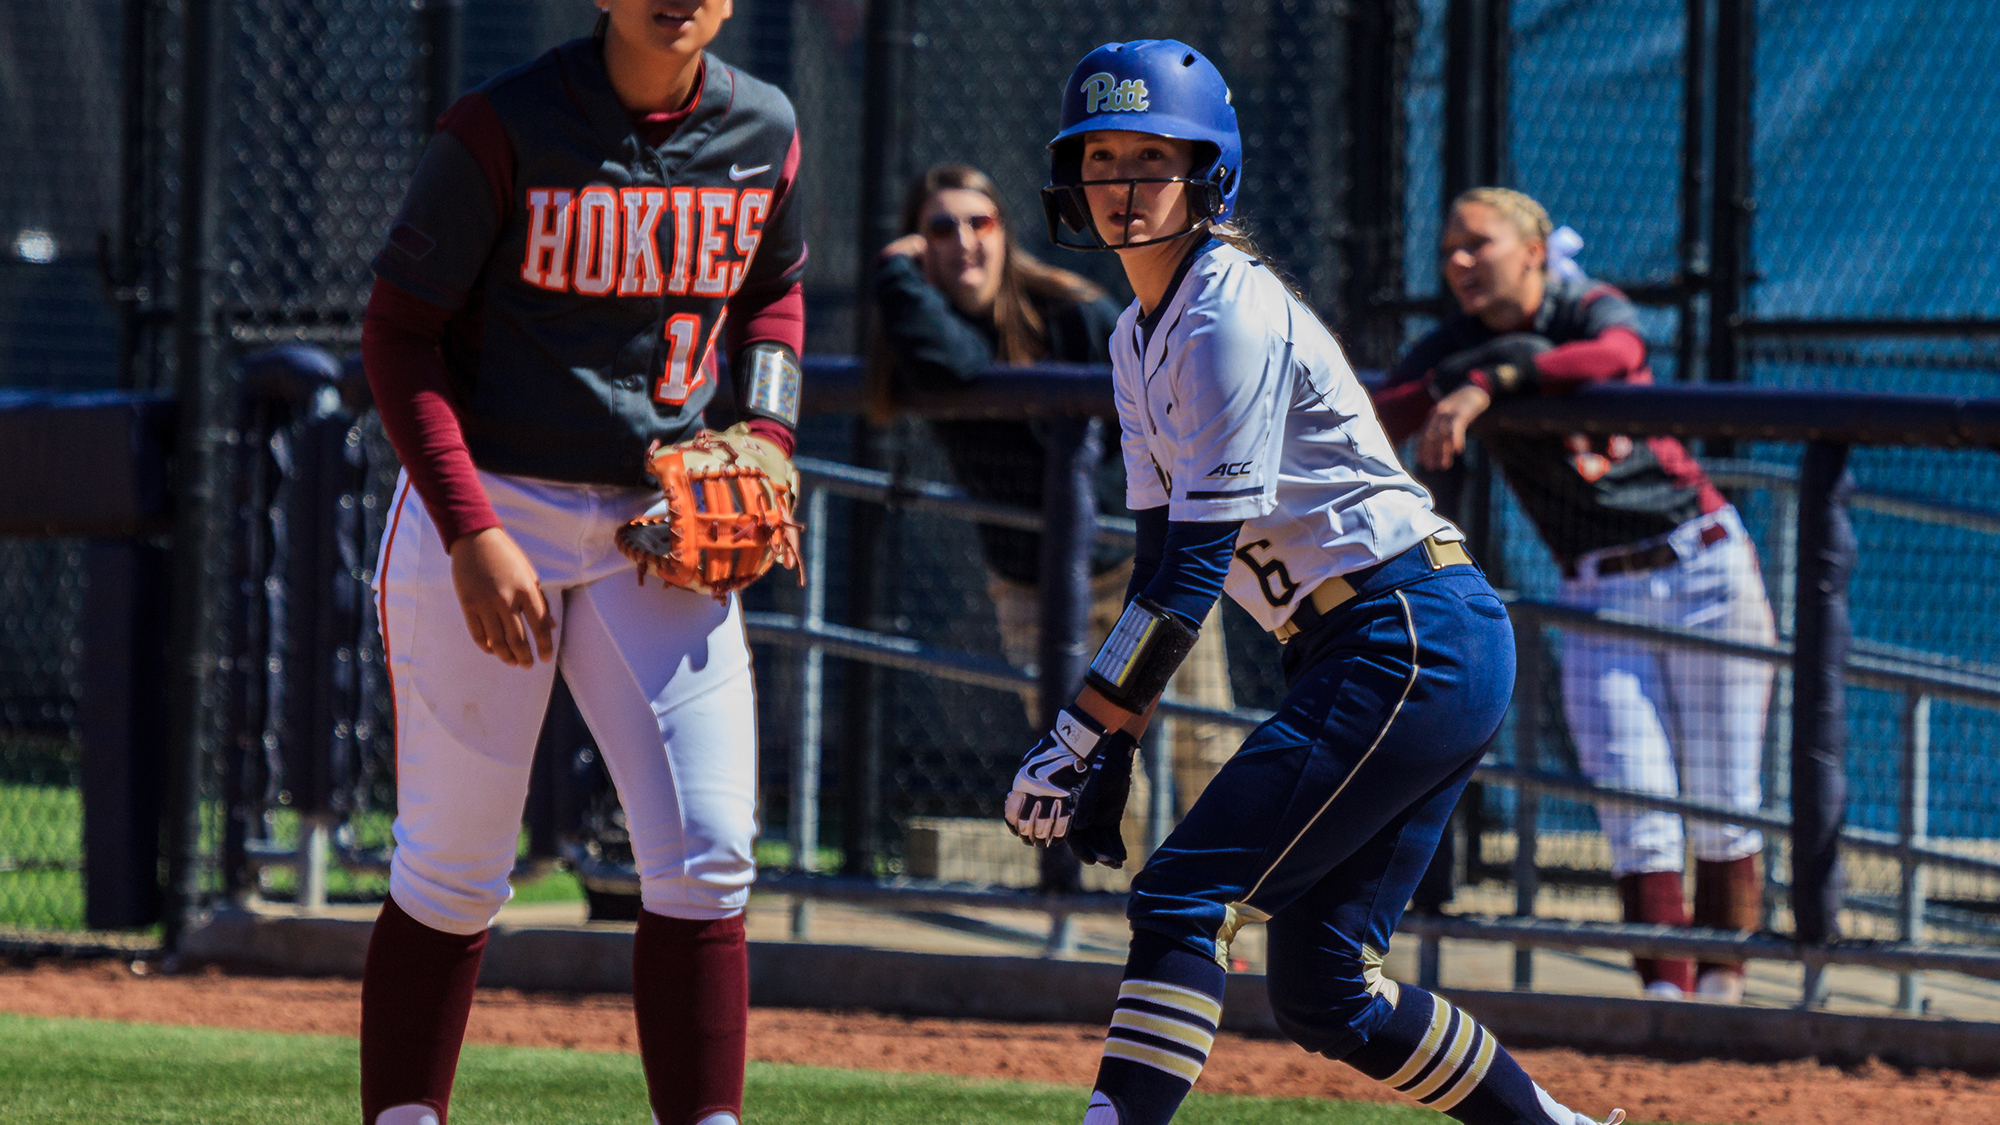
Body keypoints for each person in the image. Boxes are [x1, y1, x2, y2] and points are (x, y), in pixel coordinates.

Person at [1007, 40, 1623, 1125]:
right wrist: (1118, 737)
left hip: (1408, 633)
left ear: (1209, 175)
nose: (1121, 184)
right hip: (1379, 644)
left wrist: (1079, 728)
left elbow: (1193, 574)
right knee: (1324, 989)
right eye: (1100, 158)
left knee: (1182, 896)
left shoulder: (1223, 309)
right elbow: (1156, 563)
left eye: (1152, 157)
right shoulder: (1135, 334)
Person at [356, 1, 806, 1122]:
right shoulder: (502, 125)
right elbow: (399, 331)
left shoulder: (764, 129)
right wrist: (469, 528)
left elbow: (773, 295)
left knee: (707, 857)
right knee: (455, 867)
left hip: (657, 518)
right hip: (491, 498)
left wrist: (767, 429)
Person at [1371, 187, 1775, 1002]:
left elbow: (1618, 354)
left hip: (1699, 564)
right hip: (1595, 589)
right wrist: (1458, 379)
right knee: (1632, 801)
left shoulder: (1582, 303)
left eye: (1478, 244)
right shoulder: (1455, 343)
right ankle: (1667, 999)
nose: (1458, 262)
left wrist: (1490, 381)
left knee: (1724, 798)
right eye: (1448, 250)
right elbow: (1381, 413)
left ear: (1532, 251)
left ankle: (1722, 994)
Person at [871, 164, 1236, 841]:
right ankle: (1124, 905)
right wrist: (896, 272)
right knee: (1082, 770)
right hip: (1030, 588)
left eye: (980, 222)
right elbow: (956, 364)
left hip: (1136, 568)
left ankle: (1234, 898)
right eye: (940, 229)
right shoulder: (922, 328)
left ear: (1005, 233)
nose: (964, 241)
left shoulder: (1069, 311)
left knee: (1202, 743)